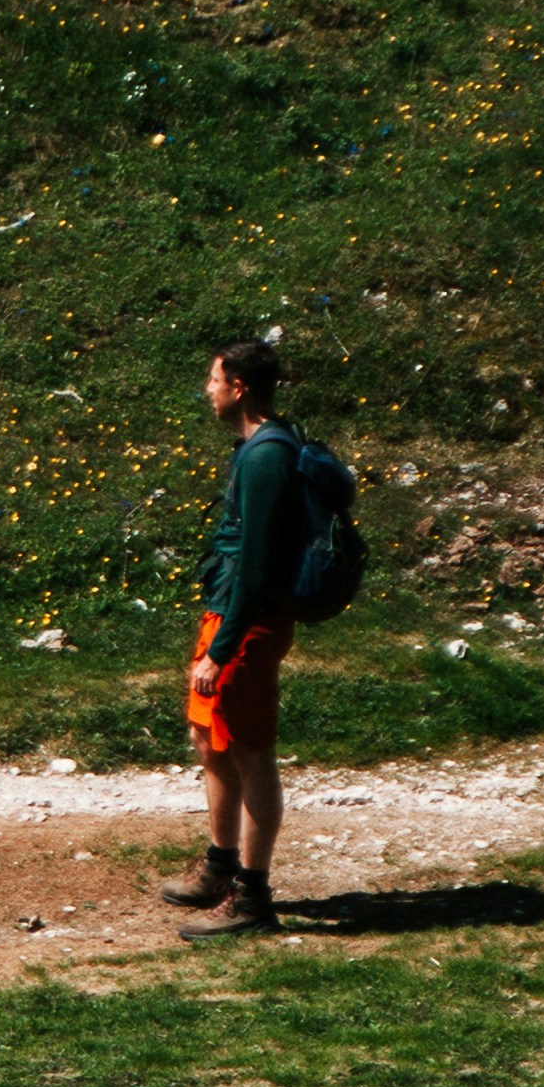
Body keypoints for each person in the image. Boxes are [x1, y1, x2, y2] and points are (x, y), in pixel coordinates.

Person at [174, 331, 301, 934]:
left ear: (239, 387)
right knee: (210, 741)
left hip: (247, 625)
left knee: (251, 752)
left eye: (214, 379)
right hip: (228, 614)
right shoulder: (254, 449)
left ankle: (253, 898)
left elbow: (257, 566)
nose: (208, 389)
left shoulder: (267, 458)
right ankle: (220, 867)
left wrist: (221, 652)